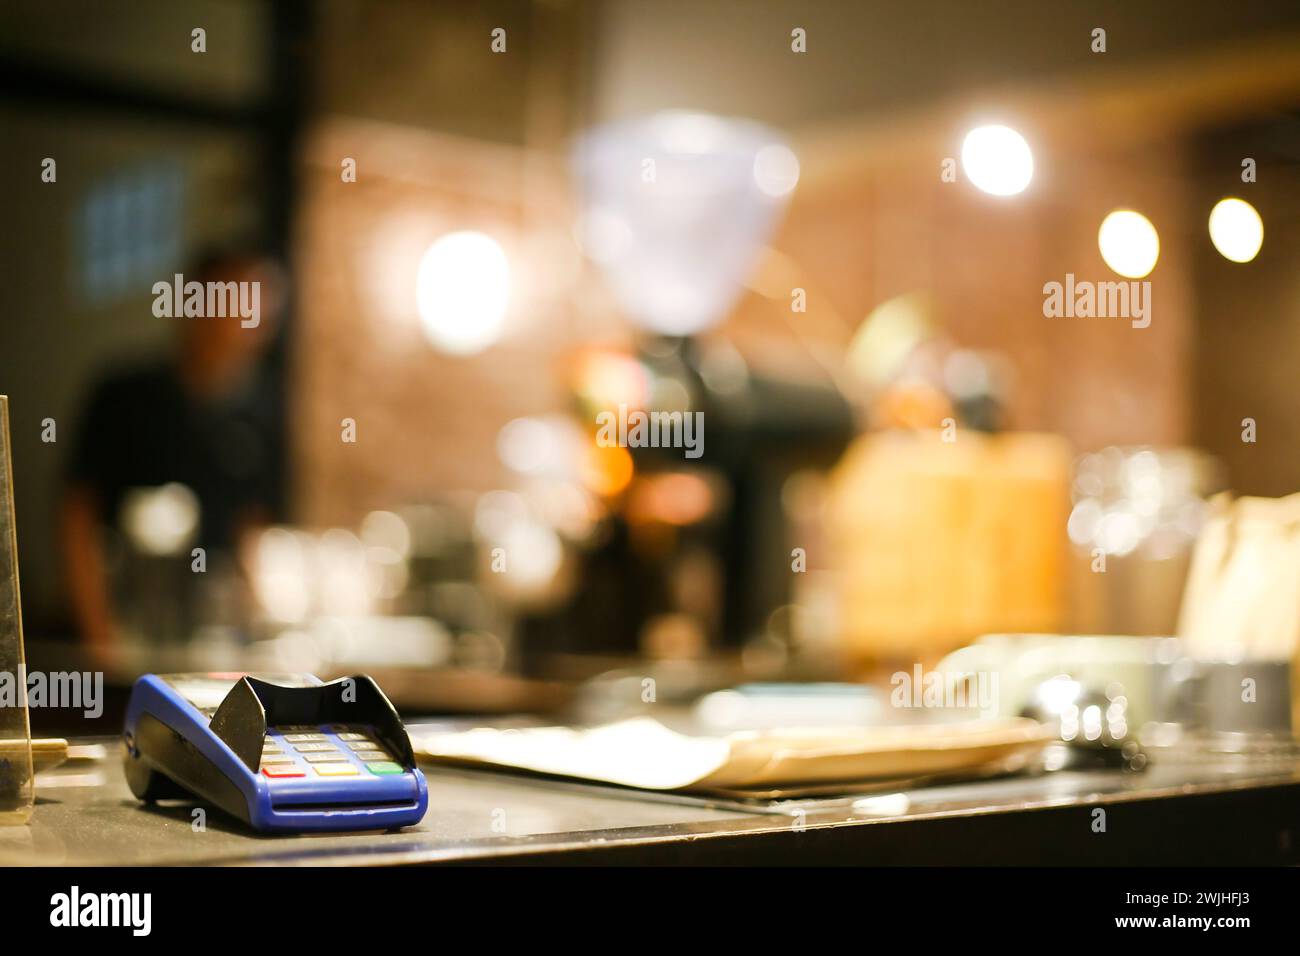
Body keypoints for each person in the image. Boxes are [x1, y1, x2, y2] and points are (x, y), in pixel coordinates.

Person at [60, 249, 286, 651]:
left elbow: (250, 528)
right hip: (130, 620)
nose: (246, 321)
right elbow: (78, 516)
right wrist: (98, 635)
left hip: (212, 634)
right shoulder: (124, 397)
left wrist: (260, 630)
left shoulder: (258, 413)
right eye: (233, 301)